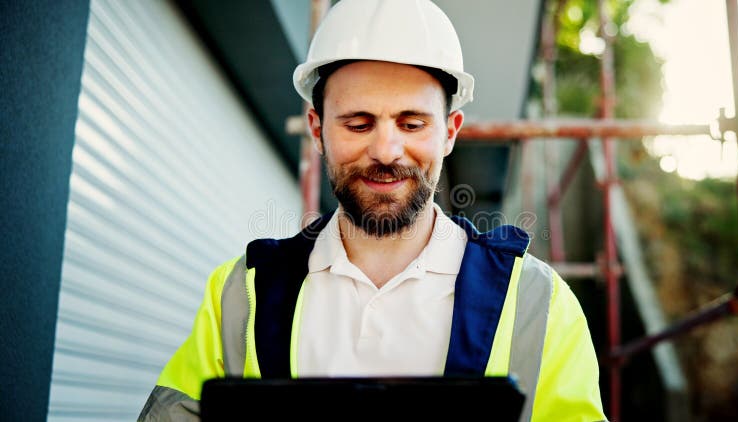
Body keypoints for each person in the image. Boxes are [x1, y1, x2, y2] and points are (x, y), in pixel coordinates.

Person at [139, 1, 606, 421]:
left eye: (412, 123)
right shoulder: (241, 294)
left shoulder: (536, 302)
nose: (386, 150)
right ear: (317, 130)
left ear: (450, 131)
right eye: (359, 123)